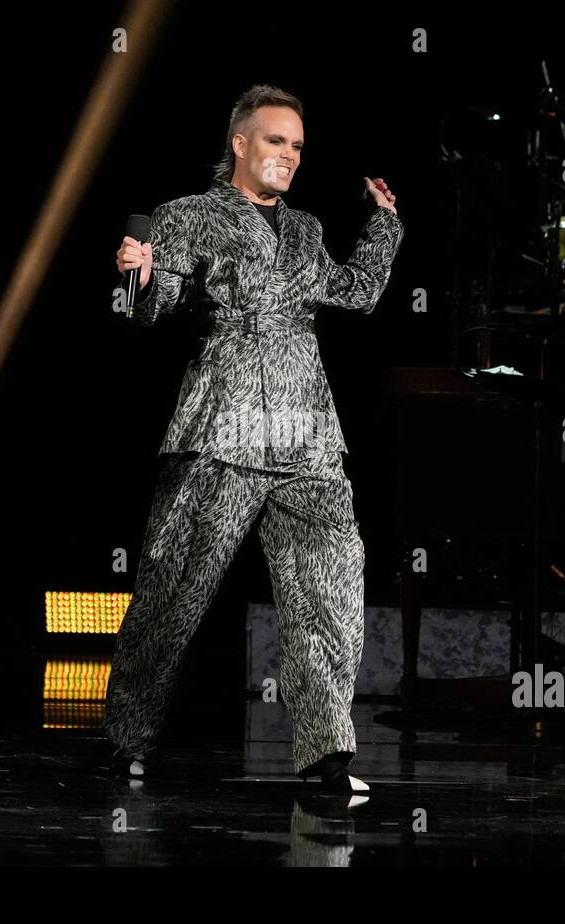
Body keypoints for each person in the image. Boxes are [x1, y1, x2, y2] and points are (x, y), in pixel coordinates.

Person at [104, 84, 404, 793]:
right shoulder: (189, 217)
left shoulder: (303, 230)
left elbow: (354, 292)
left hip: (308, 434)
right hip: (222, 426)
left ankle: (328, 753)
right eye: (276, 141)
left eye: (298, 145)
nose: (289, 156)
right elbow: (154, 306)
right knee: (173, 592)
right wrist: (138, 279)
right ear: (240, 144)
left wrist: (385, 226)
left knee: (327, 593)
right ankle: (128, 739)